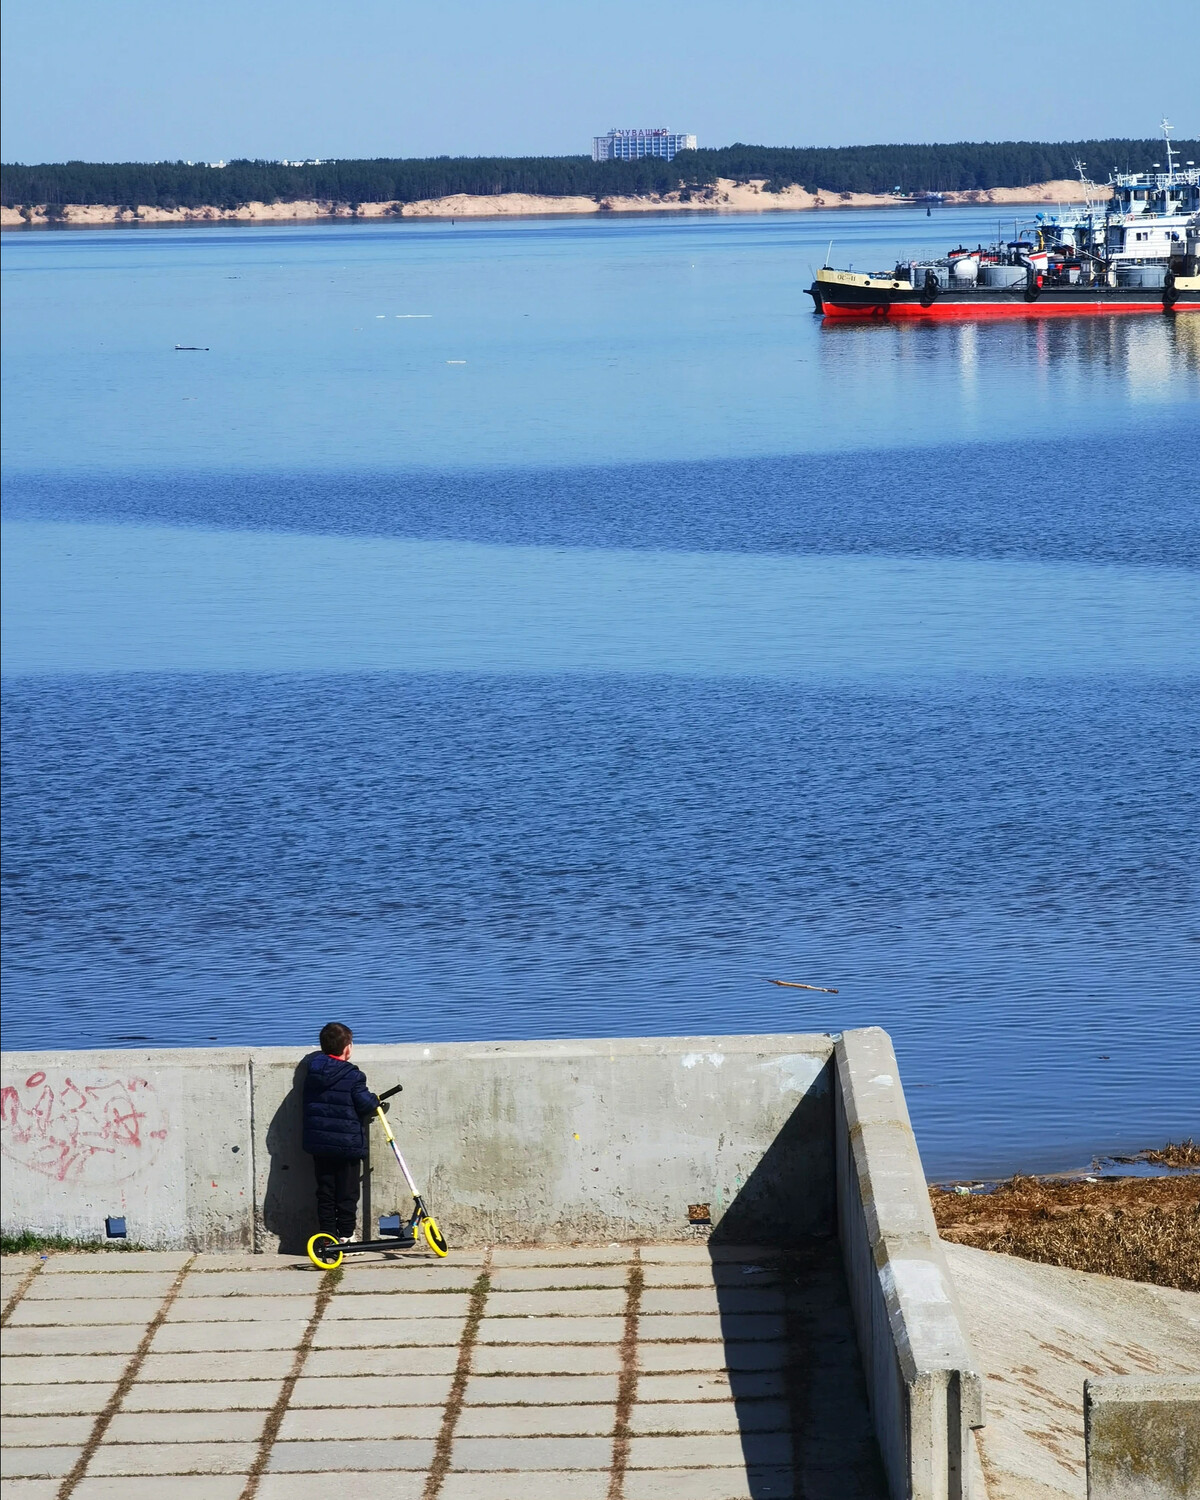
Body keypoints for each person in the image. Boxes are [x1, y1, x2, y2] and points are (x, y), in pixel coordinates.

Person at [302, 1022, 380, 1243]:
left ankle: (327, 1236)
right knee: (347, 1193)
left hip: (320, 1144)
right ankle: (346, 1235)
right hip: (346, 1145)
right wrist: (375, 1101)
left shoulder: (312, 1071)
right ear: (347, 1049)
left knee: (325, 1192)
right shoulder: (353, 1076)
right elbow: (365, 1104)